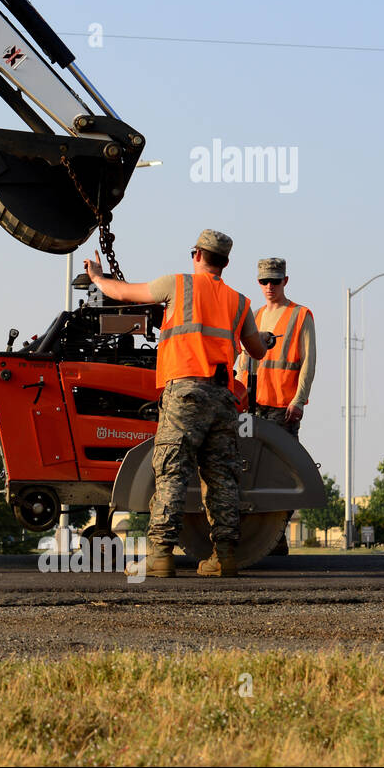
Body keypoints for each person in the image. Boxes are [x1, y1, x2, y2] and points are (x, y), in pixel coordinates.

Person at [85, 230, 272, 578]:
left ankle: (160, 556)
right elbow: (257, 350)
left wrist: (97, 276)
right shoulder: (240, 302)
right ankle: (225, 557)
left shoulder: (176, 285)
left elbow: (123, 293)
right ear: (226, 263)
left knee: (171, 472)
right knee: (222, 479)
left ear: (197, 255)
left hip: (185, 393)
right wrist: (262, 338)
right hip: (222, 398)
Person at [235, 257, 316, 552]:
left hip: (284, 407)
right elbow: (243, 360)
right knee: (250, 470)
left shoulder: (300, 315)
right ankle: (261, 533)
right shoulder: (254, 316)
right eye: (264, 281)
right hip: (252, 405)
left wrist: (299, 400)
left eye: (275, 281)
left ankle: (277, 533)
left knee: (284, 472)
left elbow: (309, 361)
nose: (269, 286)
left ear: (285, 281)